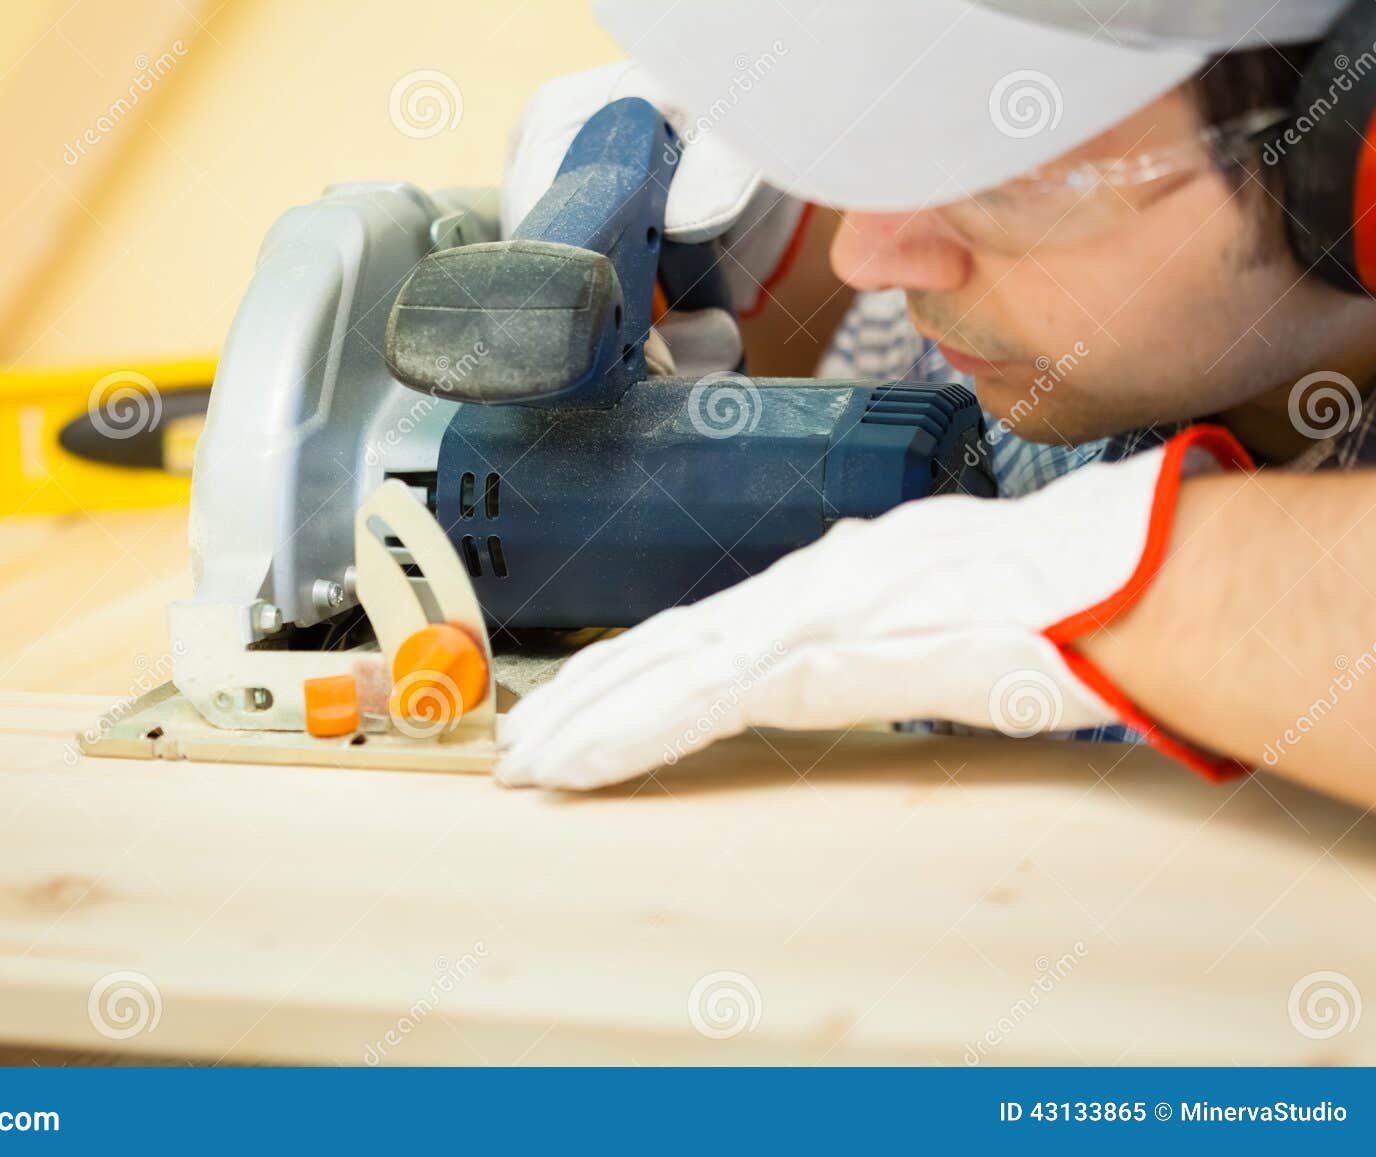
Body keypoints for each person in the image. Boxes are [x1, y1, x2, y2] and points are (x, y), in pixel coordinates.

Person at [493, 0, 1376, 805]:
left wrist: (1087, 574)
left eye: (1004, 178)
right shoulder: (961, 342)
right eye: (898, 149)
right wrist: (732, 276)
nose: (869, 257)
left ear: (1350, 166)